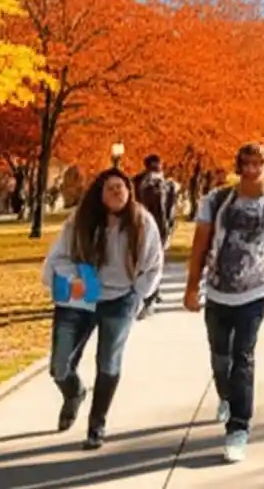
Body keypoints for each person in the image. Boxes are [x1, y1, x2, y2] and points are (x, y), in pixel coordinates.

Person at [183, 143, 264, 463]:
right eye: (245, 163)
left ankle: (238, 428)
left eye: (257, 163)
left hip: (255, 292)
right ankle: (226, 396)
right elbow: (200, 244)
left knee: (243, 357)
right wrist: (193, 287)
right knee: (220, 357)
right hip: (218, 291)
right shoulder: (216, 200)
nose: (250, 169)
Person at [42, 168, 164, 450]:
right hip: (83, 295)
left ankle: (97, 425)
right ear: (100, 194)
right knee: (59, 366)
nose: (117, 192)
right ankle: (74, 393)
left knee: (108, 362)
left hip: (121, 298)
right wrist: (77, 279)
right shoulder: (81, 221)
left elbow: (154, 263)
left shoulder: (142, 222)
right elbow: (58, 257)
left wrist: (138, 296)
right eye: (110, 188)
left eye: (121, 187)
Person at [133, 154, 178, 318]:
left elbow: (170, 210)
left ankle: (152, 294)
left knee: (155, 263)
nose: (156, 168)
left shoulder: (168, 185)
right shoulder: (138, 183)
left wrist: (170, 229)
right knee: (144, 263)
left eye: (158, 165)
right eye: (153, 165)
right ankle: (147, 297)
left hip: (160, 229)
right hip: (142, 228)